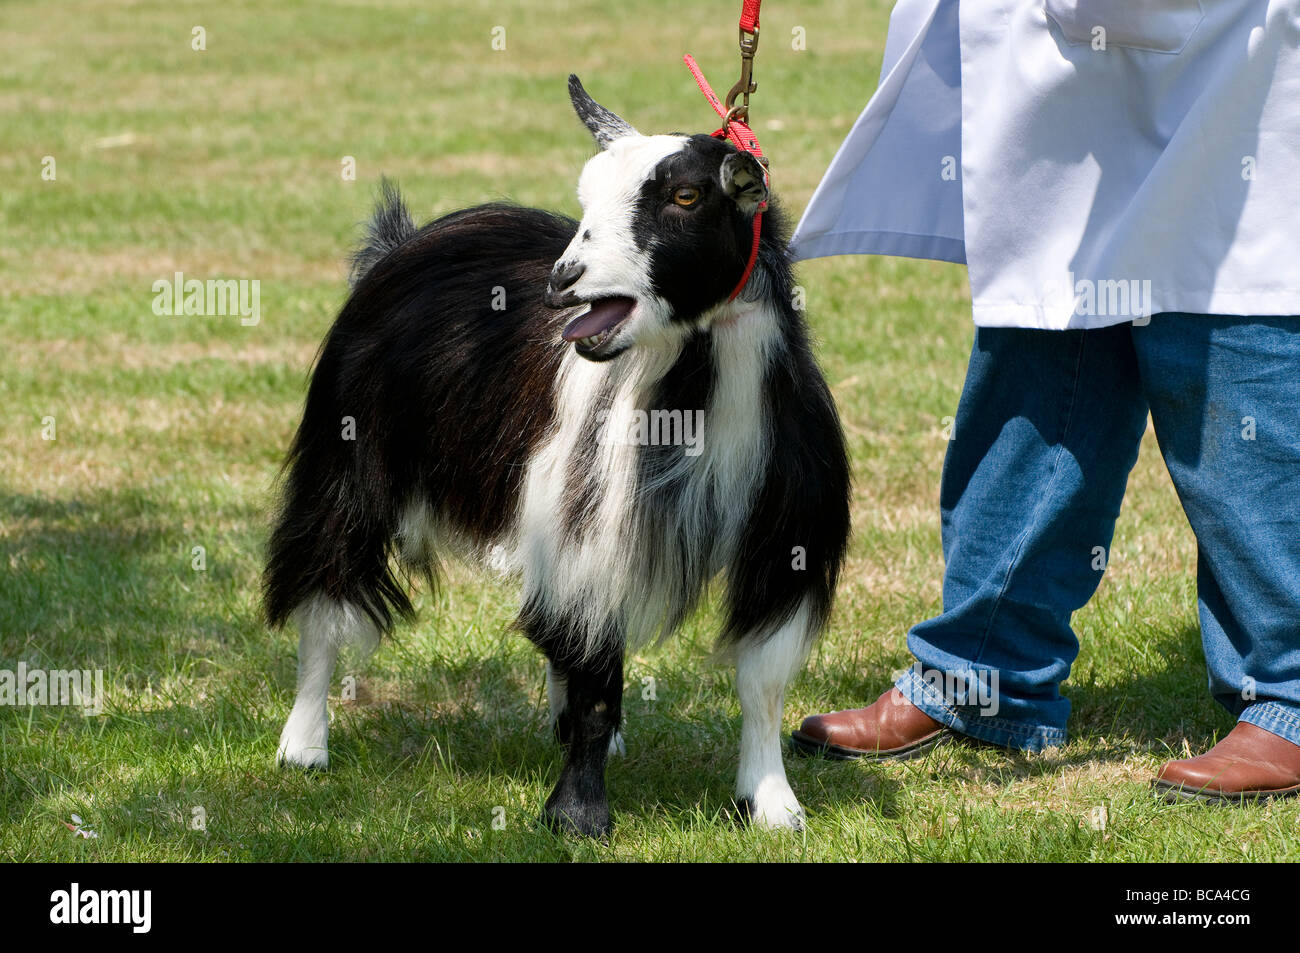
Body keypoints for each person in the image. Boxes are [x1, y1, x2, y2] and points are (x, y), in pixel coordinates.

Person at [788, 0, 1300, 801]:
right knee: (1041, 331)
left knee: (1234, 355)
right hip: (1060, 61)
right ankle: (985, 666)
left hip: (1235, 54)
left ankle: (1292, 693)